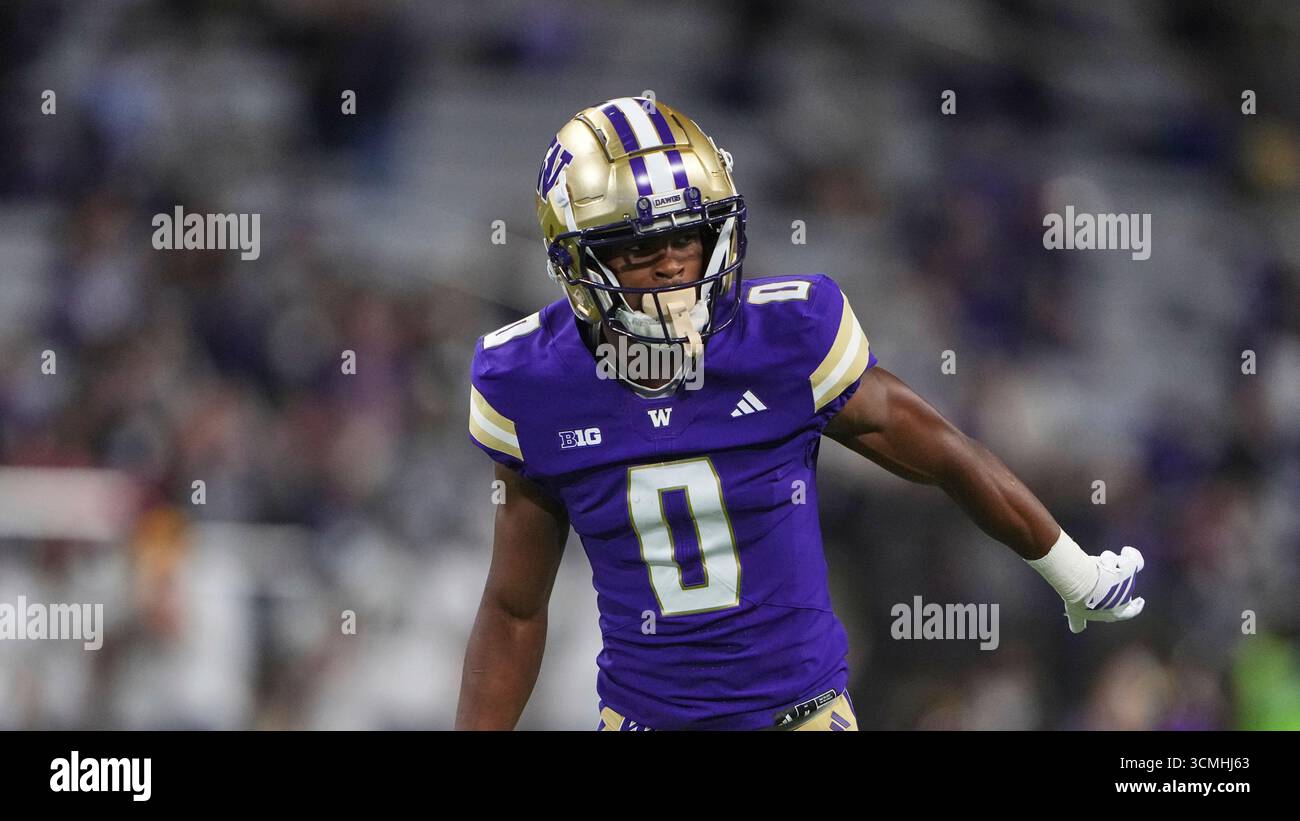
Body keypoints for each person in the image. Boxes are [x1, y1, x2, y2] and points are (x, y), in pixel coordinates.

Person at [457, 97, 1145, 731]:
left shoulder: (785, 338)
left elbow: (944, 453)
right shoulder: (533, 384)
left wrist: (1073, 570)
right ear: (577, 258)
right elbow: (516, 607)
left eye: (689, 237)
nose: (674, 266)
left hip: (799, 716)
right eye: (641, 247)